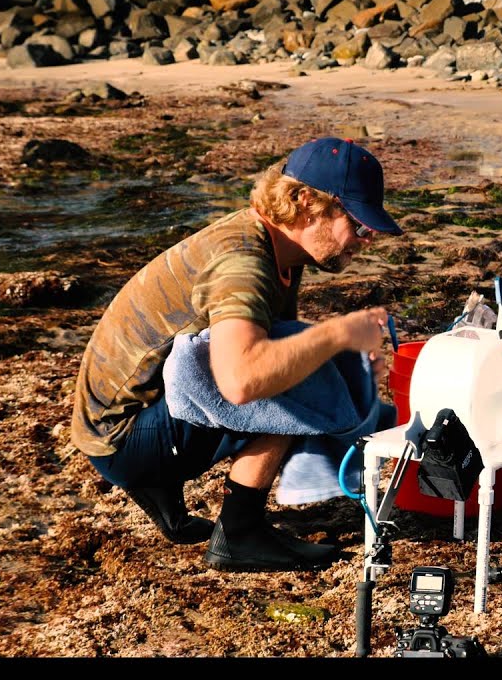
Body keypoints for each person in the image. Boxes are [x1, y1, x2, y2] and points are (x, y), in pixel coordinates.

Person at [69, 136, 403, 572]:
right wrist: (337, 335)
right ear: (305, 202)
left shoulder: (275, 244)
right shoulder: (243, 262)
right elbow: (243, 381)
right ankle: (240, 534)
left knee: (302, 359)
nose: (366, 241)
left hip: (116, 415)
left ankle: (161, 488)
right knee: (301, 382)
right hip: (121, 437)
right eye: (358, 225)